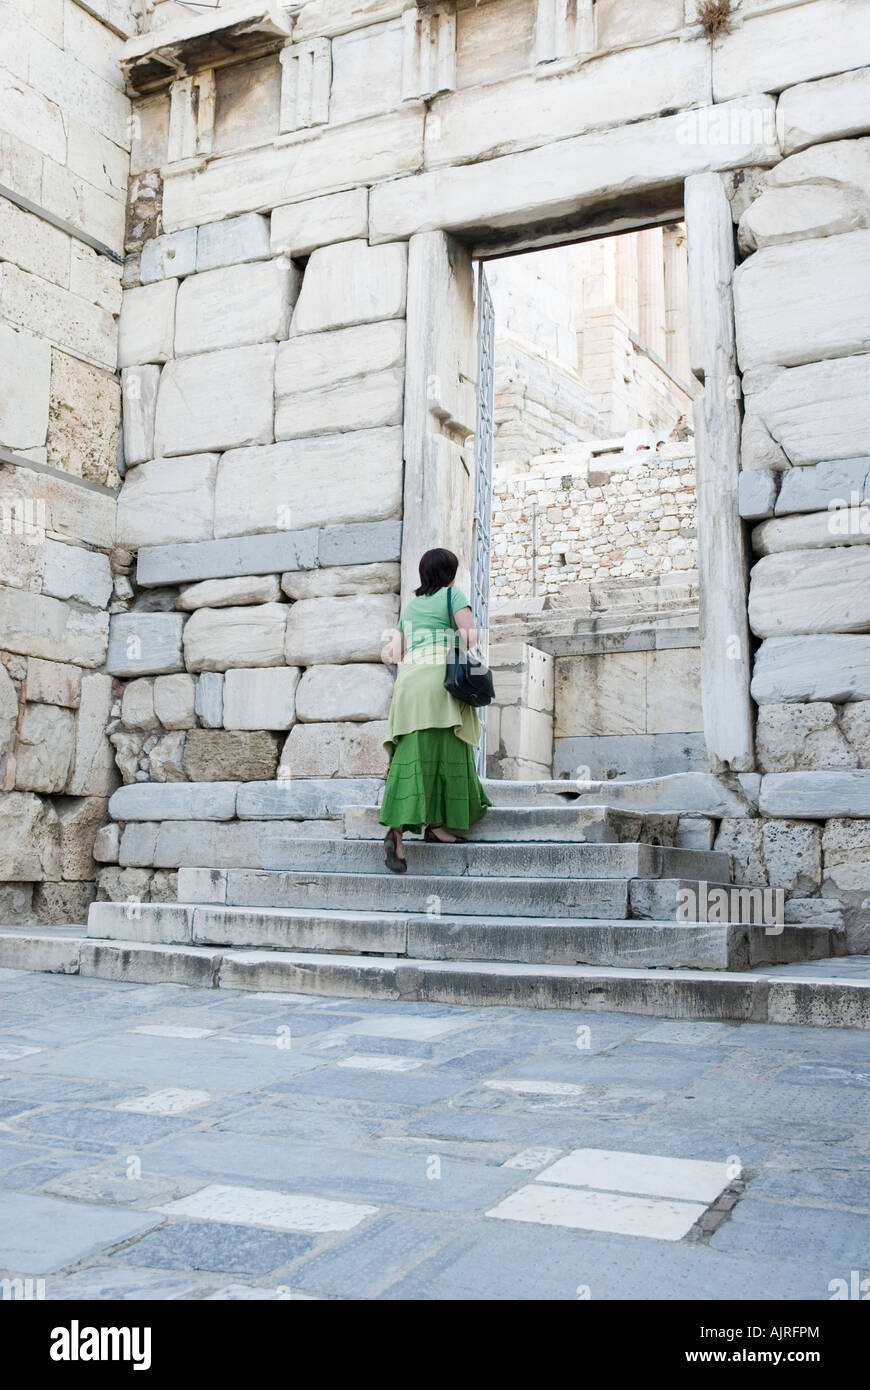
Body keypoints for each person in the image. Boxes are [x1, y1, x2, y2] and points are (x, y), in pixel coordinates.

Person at [379, 547, 491, 874]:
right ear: (450, 573)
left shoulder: (412, 607)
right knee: (448, 750)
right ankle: (441, 823)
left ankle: (402, 831)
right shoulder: (451, 594)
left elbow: (394, 653)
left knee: (411, 755)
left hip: (408, 686)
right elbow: (470, 636)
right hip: (438, 684)